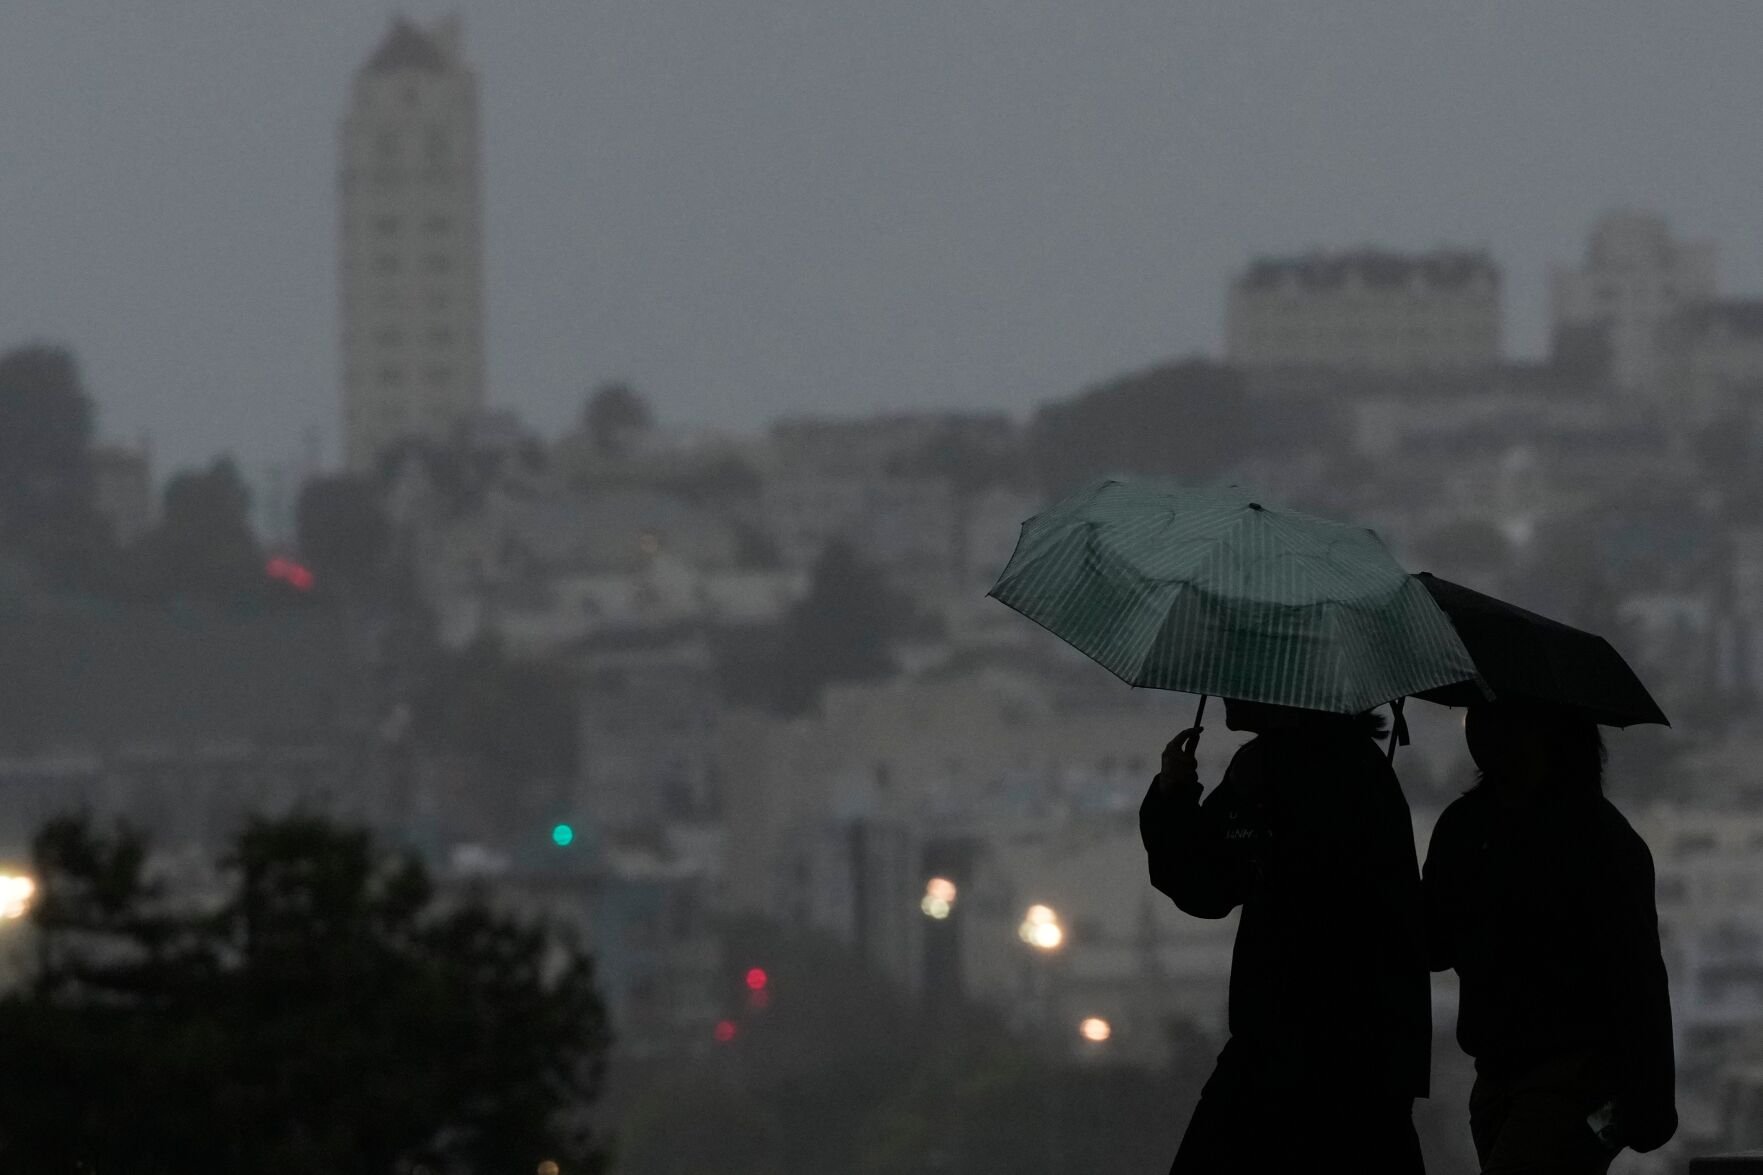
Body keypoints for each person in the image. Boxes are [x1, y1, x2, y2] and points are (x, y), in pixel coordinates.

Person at [1140, 698, 1431, 1174]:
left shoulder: (1270, 767)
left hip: (1287, 1041)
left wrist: (1174, 794)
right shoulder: (1361, 766)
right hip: (1372, 1049)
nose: (1226, 692)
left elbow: (1206, 886)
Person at [1423, 701, 1676, 1174]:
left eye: (1498, 710)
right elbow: (1434, 944)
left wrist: (1651, 1104)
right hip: (1497, 1078)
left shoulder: (1598, 841)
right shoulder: (1466, 827)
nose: (1478, 724)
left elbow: (1636, 979)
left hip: (1575, 1079)